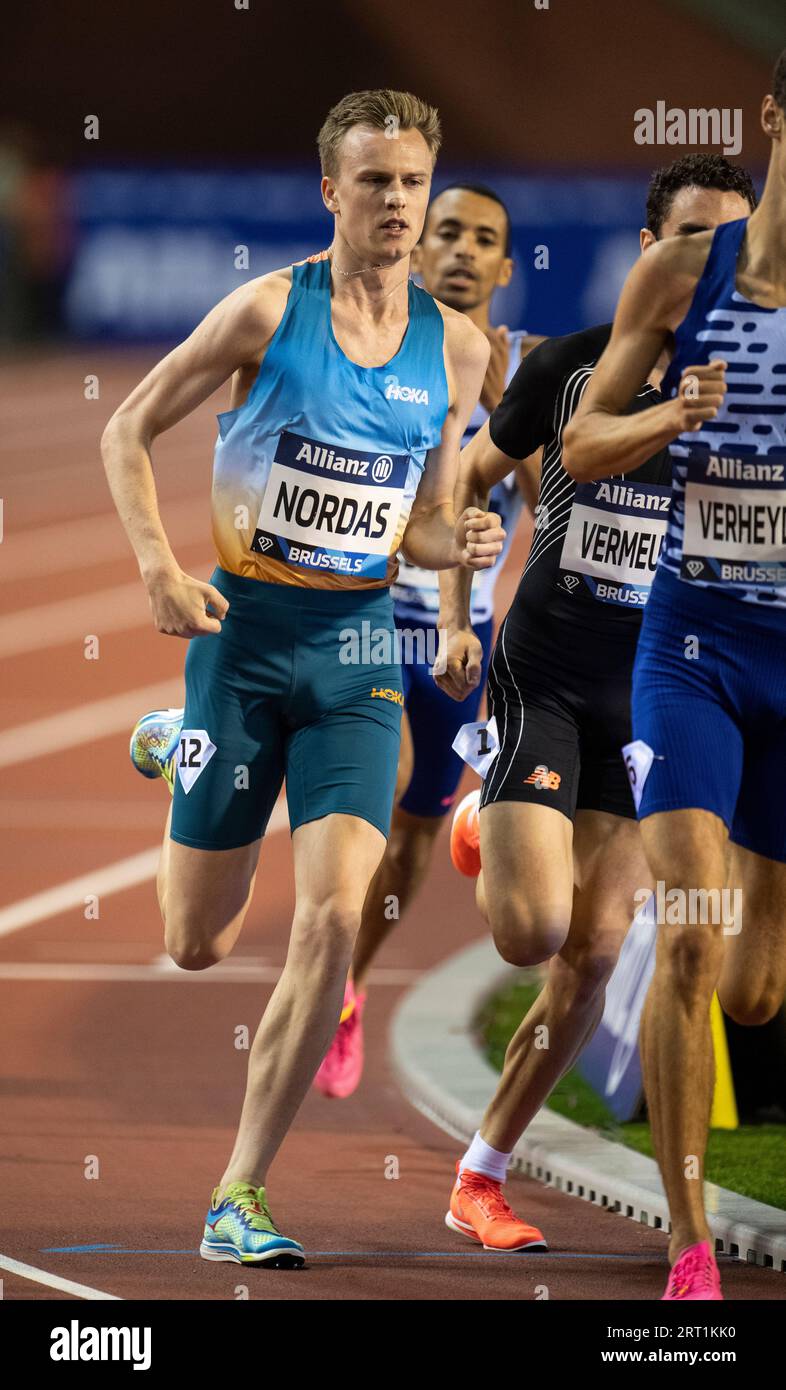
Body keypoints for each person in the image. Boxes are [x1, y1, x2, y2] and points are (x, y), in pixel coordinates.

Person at [103, 88, 504, 1268]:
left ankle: (239, 1193)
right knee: (196, 942)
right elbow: (126, 427)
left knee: (332, 918)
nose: (395, 203)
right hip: (241, 640)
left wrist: (461, 542)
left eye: (412, 182)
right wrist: (161, 572)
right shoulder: (267, 312)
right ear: (332, 191)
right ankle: (177, 737)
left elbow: (424, 526)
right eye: (373, 182)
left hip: (360, 654)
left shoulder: (460, 348)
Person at [442, 154, 756, 1259]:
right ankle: (482, 811)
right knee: (532, 931)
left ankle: (481, 1174)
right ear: (648, 251)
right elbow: (476, 471)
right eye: (691, 240)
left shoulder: (754, 382)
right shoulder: (575, 367)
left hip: (655, 692)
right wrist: (455, 592)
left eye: (732, 239)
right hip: (547, 666)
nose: (711, 263)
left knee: (599, 942)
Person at [563, 53, 786, 1302]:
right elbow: (585, 442)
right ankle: (688, 1243)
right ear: (773, 117)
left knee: (756, 994)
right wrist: (668, 418)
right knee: (697, 938)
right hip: (694, 642)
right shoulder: (683, 272)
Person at [315, 182, 543, 1098]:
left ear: (502, 265)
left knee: (411, 841)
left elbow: (549, 493)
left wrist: (503, 397)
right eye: (445, 230)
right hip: (365, 621)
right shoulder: (372, 341)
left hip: (461, 636)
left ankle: (351, 987)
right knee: (361, 807)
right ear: (418, 243)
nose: (458, 250)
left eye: (481, 239)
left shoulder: (534, 366)